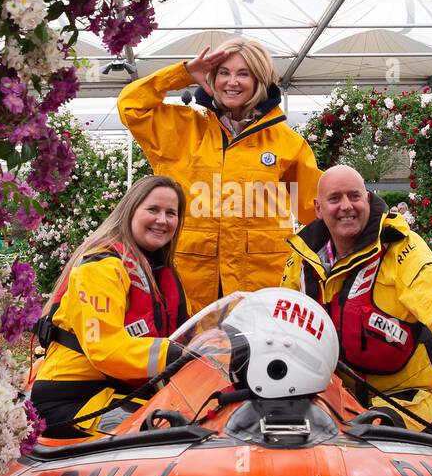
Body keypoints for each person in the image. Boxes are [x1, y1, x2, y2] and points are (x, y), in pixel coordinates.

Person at [118, 38, 323, 313]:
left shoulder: (288, 145)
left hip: (261, 289)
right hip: (189, 287)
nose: (232, 82)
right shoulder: (181, 130)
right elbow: (131, 105)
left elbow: (315, 208)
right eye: (224, 73)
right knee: (188, 355)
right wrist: (183, 73)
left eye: (243, 74)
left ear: (259, 80)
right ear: (212, 79)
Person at [280, 165, 432, 440]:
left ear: (368, 200)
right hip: (334, 403)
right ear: (318, 208)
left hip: (409, 402)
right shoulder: (302, 261)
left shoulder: (402, 249)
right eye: (335, 199)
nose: (346, 206)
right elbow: (279, 327)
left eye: (355, 196)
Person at [30, 176, 189, 437]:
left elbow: (190, 331)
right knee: (173, 434)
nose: (163, 220)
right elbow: (105, 349)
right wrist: (176, 354)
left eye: (171, 213)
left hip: (119, 392)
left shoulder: (159, 272)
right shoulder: (102, 266)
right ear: (130, 212)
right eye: (153, 210)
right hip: (74, 400)